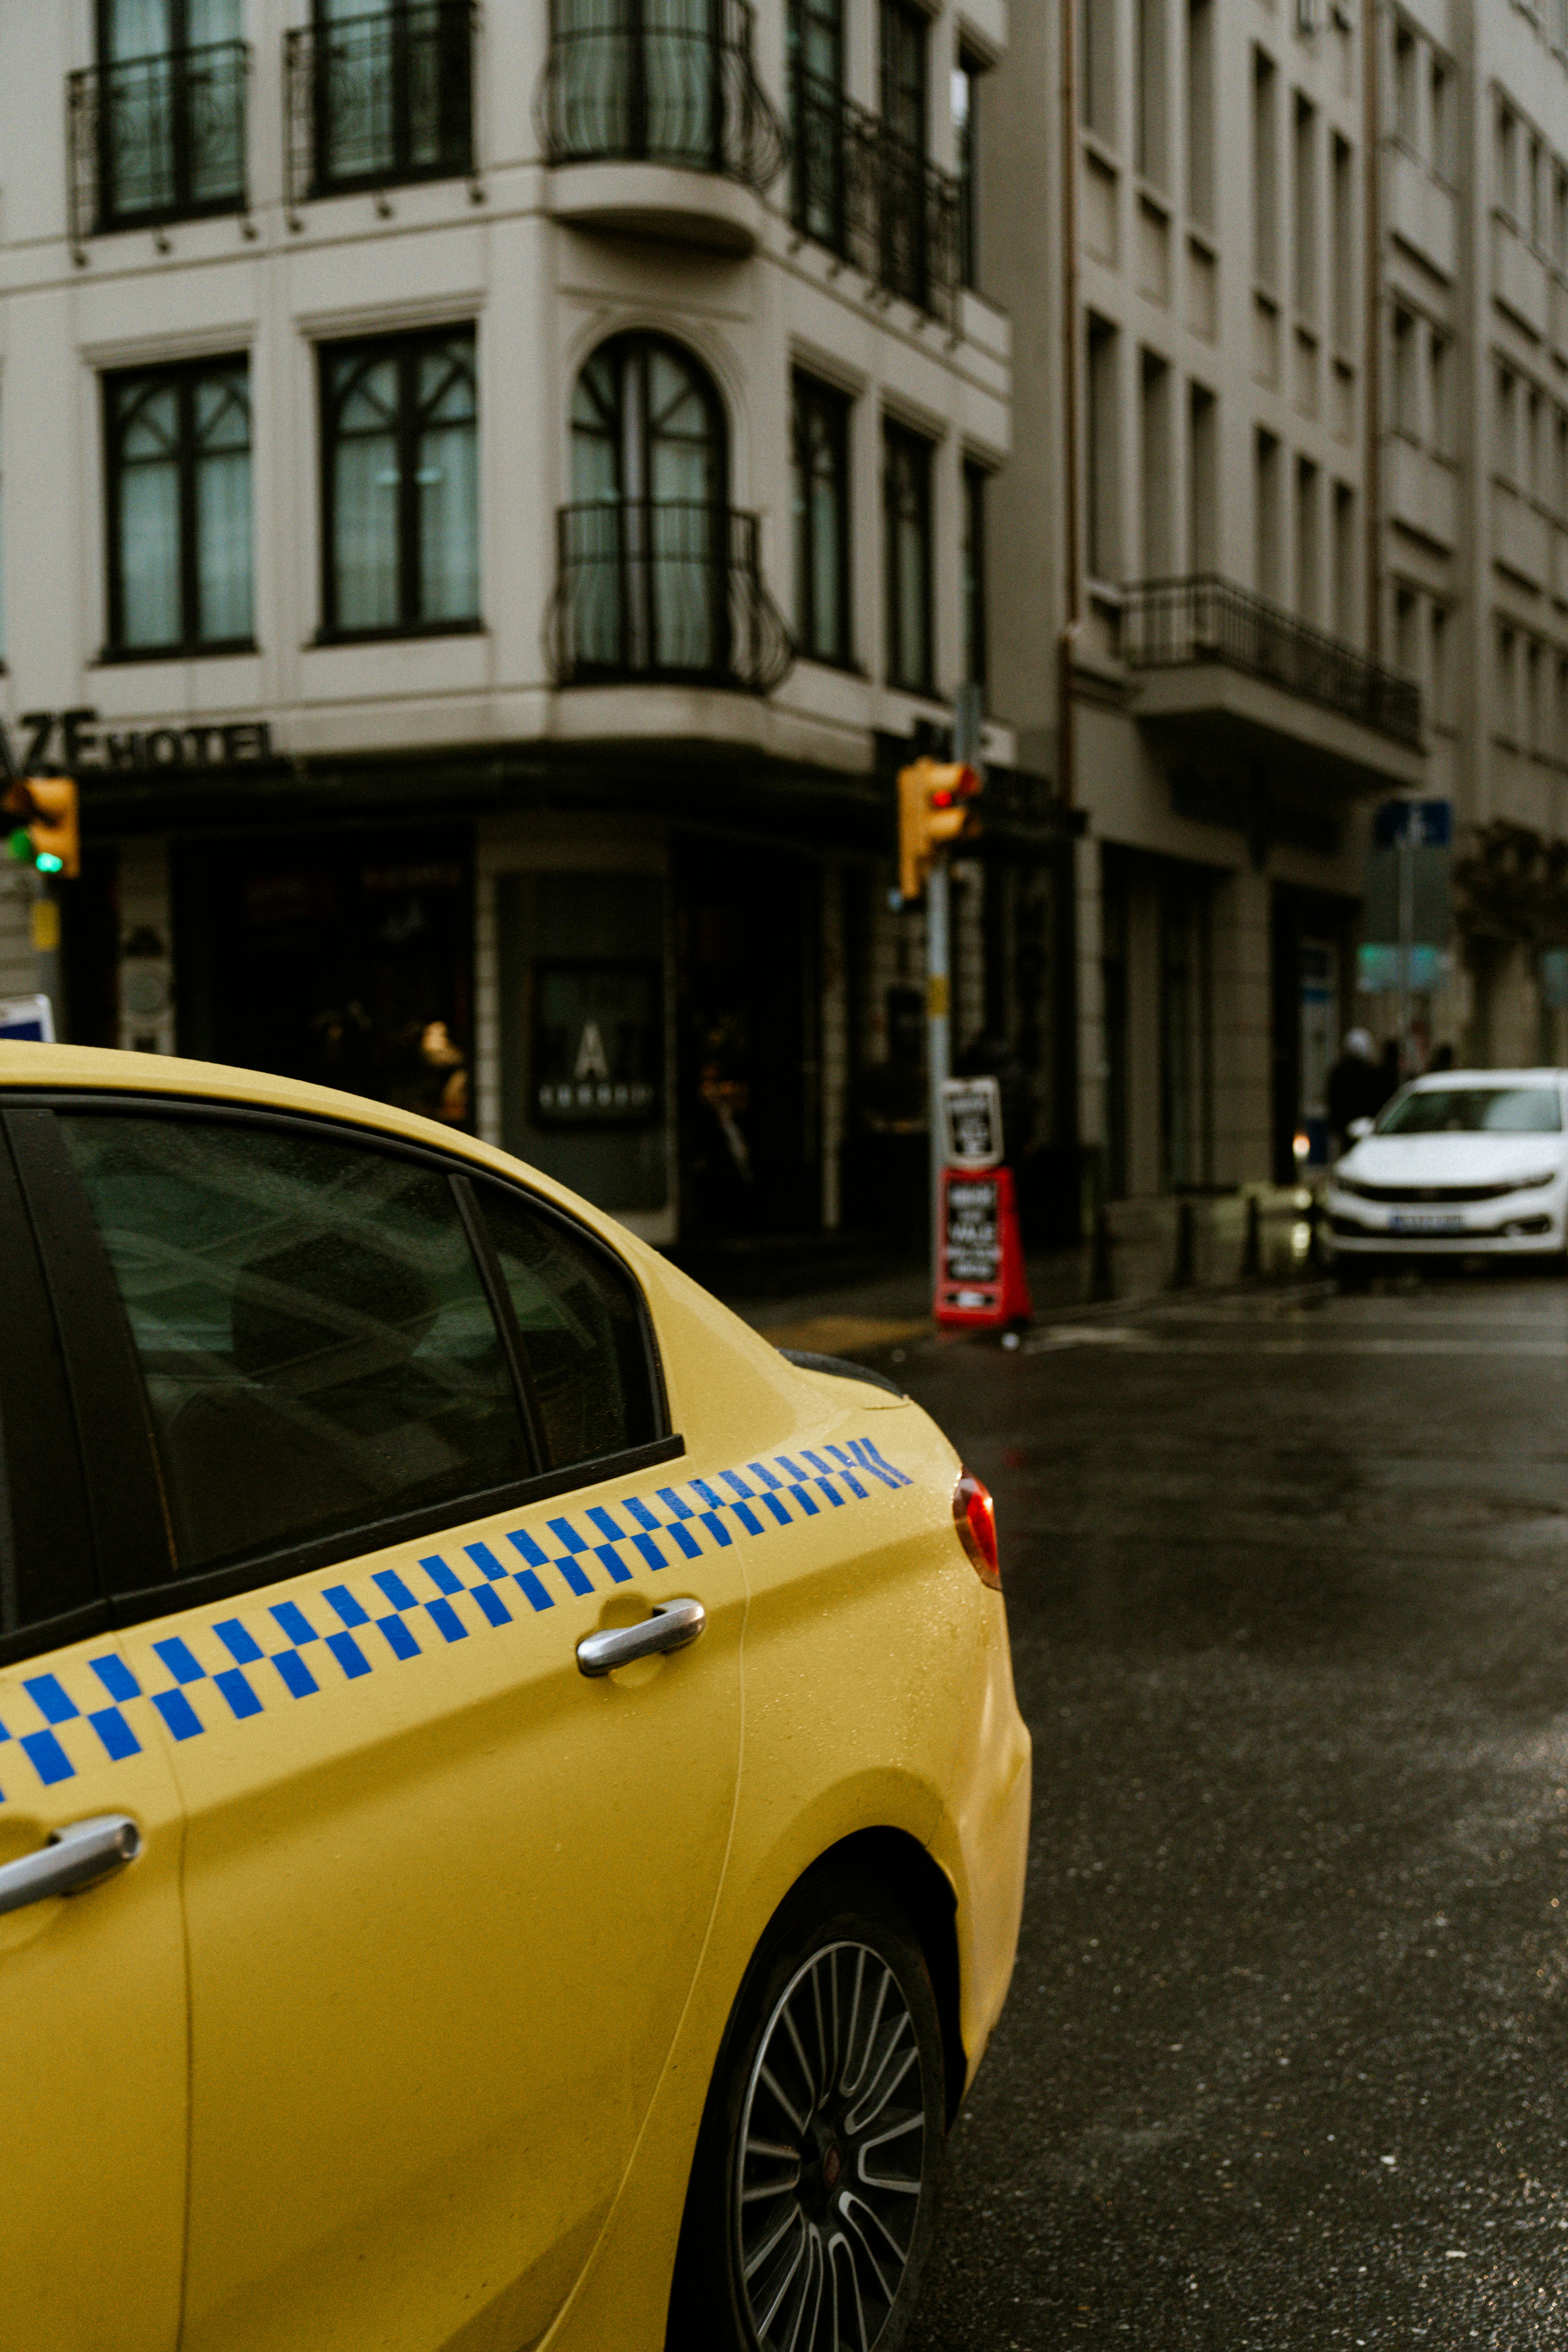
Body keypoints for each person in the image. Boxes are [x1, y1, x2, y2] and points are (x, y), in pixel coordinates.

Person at [1326, 1028, 1385, 1156]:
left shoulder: (1339, 1072)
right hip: (1364, 1124)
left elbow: (1333, 1099)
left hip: (1346, 1126)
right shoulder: (1370, 1072)